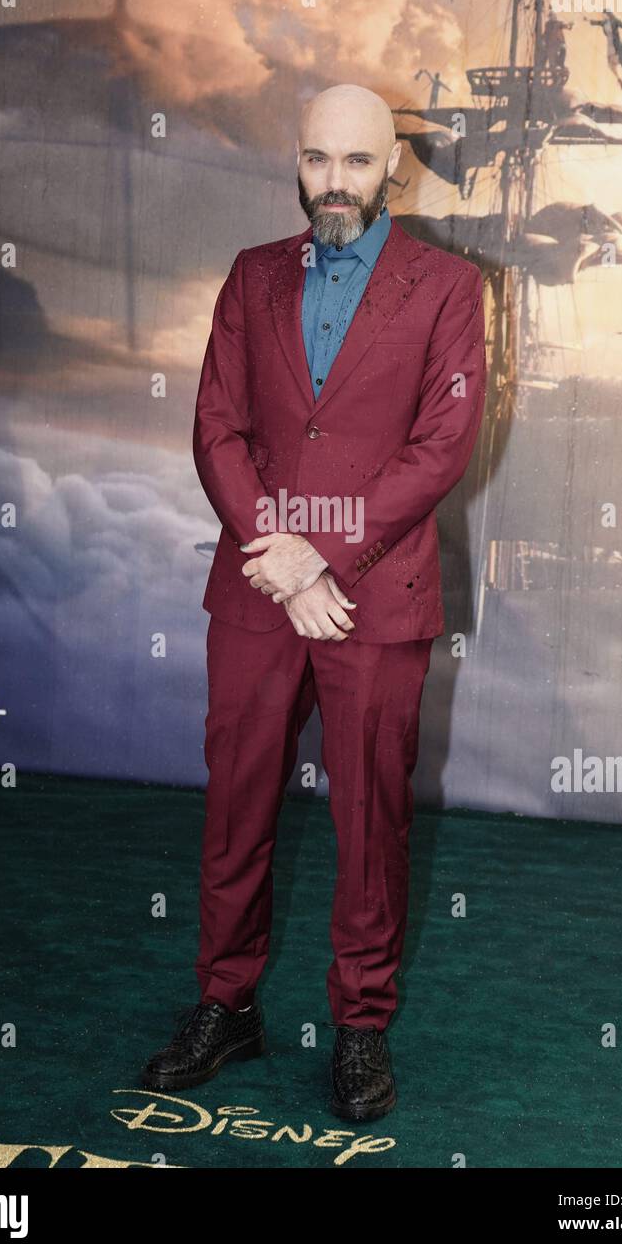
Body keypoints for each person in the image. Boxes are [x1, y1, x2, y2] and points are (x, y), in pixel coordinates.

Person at [141, 84, 487, 1121]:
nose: (330, 182)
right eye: (313, 159)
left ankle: (359, 1024)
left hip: (373, 595)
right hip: (257, 587)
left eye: (353, 161)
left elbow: (441, 448)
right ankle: (224, 1002)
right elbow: (216, 429)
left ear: (393, 168)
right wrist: (276, 556)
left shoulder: (447, 286)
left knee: (367, 818)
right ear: (296, 162)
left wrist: (320, 552)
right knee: (235, 805)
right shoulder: (251, 276)